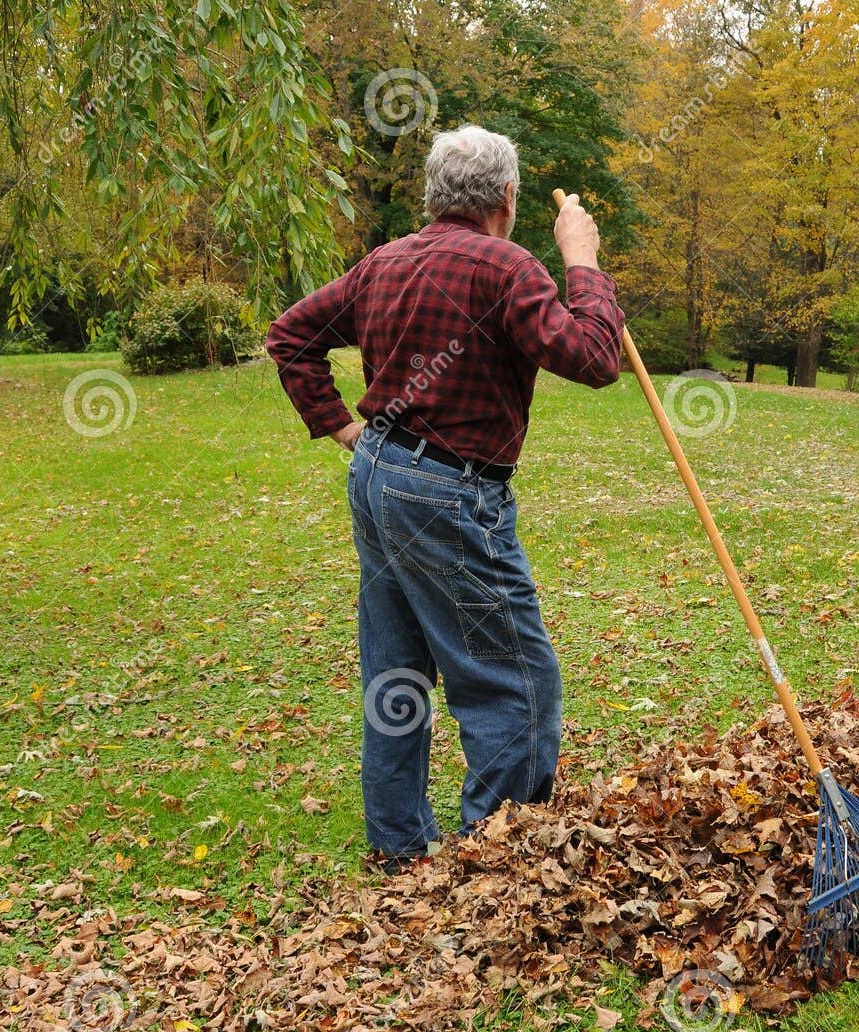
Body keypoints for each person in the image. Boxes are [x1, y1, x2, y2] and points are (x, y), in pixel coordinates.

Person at [265, 124, 625, 869]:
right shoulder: (509, 268)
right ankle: (492, 866)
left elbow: (290, 334)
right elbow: (594, 356)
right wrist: (582, 260)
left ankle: (399, 851)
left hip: (378, 476)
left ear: (435, 194)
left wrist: (341, 428)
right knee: (516, 682)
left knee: (397, 672)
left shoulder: (385, 262)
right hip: (447, 493)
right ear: (507, 197)